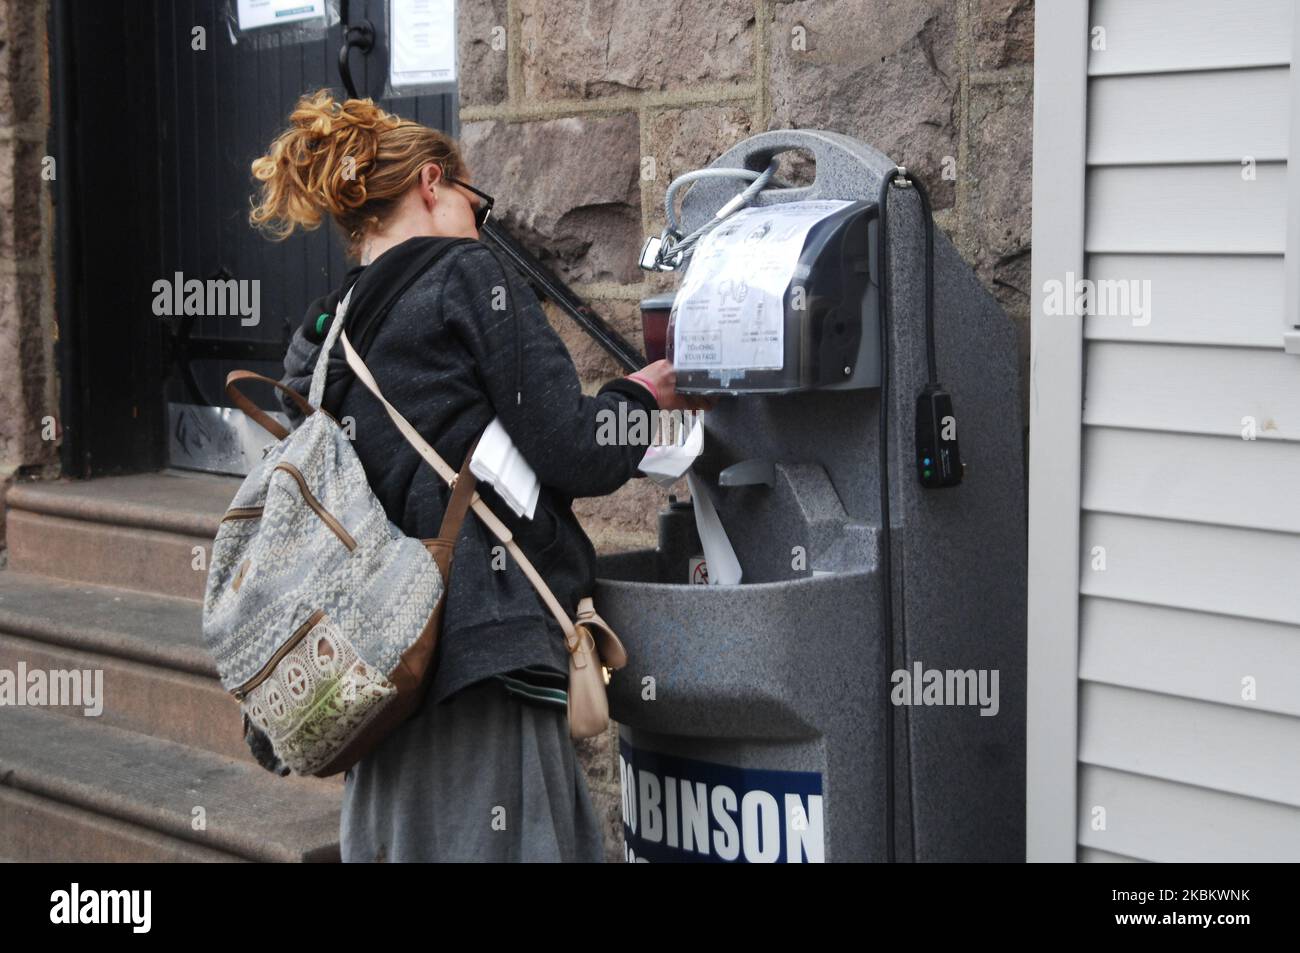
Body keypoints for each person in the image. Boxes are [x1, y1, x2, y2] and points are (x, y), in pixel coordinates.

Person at [248, 89, 707, 862]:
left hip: (380, 679)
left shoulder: (321, 339)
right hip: (475, 659)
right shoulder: (467, 276)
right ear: (433, 184)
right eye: (473, 200)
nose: (477, 219)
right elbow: (576, 448)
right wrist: (643, 394)